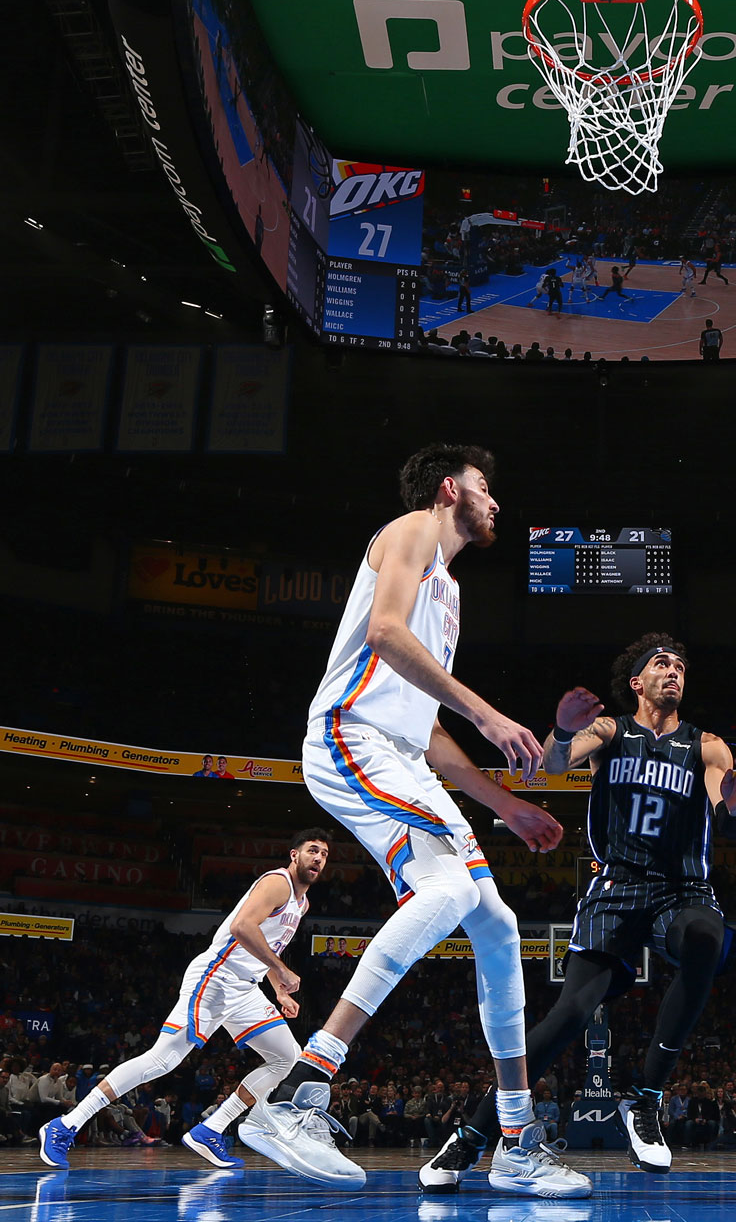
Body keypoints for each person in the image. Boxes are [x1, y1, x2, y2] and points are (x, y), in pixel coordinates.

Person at [241, 443, 576, 1196]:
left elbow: (425, 726)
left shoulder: (451, 592)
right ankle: (298, 1092)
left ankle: (517, 1139)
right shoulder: (411, 532)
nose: (497, 503)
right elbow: (384, 635)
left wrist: (504, 804)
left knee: (497, 924)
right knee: (449, 892)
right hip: (349, 733)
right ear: (451, 489)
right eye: (488, 488)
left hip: (400, 753)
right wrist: (490, 716)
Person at [418, 635, 736, 1187]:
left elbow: (726, 812)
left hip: (681, 887)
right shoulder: (609, 732)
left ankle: (644, 1098)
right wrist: (565, 728)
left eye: (680, 666)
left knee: (704, 940)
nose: (674, 671)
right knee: (569, 1014)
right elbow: (549, 767)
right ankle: (473, 1135)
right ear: (637, 682)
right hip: (616, 885)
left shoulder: (707, 745)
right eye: (661, 664)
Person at [38, 831, 331, 1172]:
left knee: (286, 1058)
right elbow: (241, 928)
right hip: (215, 977)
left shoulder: (303, 902)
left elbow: (266, 946)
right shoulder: (277, 883)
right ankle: (65, 1125)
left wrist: (278, 987)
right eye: (312, 850)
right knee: (163, 1060)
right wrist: (282, 969)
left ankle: (211, 1129)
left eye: (324, 854)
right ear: (294, 855)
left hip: (245, 988)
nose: (319, 858)